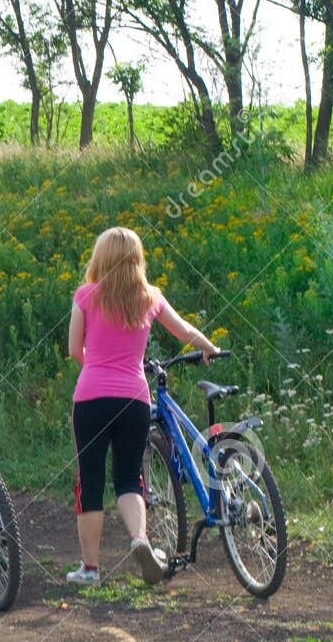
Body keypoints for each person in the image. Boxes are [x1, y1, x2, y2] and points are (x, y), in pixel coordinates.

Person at [66, 226, 220, 585]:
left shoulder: (86, 295)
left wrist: (97, 365)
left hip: (90, 399)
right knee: (129, 479)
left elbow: (75, 350)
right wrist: (208, 346)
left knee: (89, 481)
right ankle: (139, 538)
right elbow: (183, 332)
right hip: (134, 399)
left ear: (100, 257)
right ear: (138, 259)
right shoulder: (150, 298)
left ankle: (90, 570)